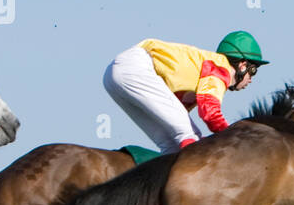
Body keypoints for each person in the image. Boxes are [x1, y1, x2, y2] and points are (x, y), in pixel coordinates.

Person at [103, 31, 266, 153]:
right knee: (190, 134)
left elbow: (173, 110)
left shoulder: (200, 77)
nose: (251, 79)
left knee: (171, 144)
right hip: (136, 67)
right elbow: (210, 113)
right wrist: (235, 136)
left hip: (112, 77)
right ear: (243, 65)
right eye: (253, 71)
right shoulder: (220, 68)